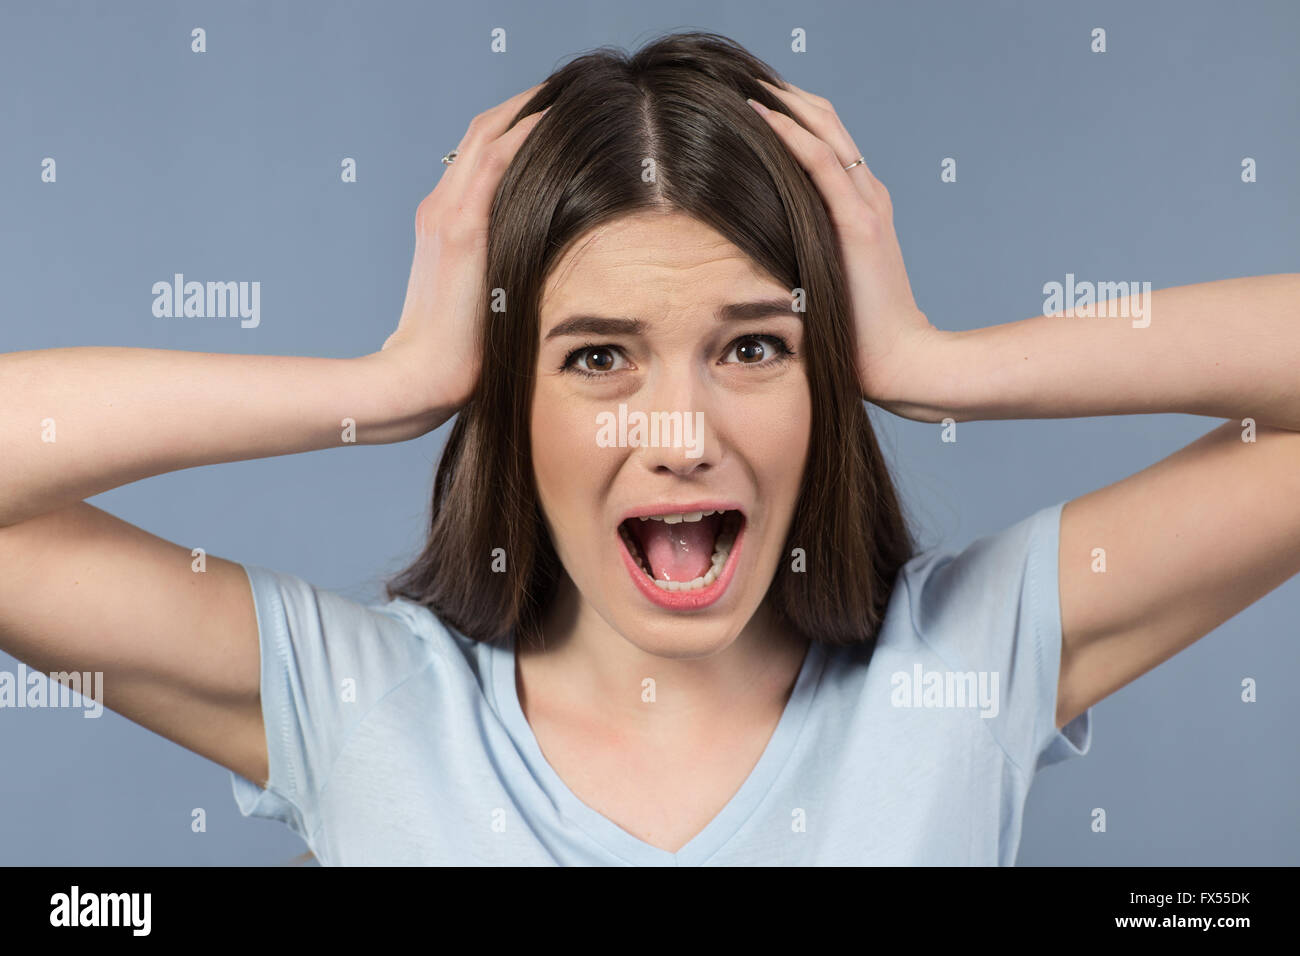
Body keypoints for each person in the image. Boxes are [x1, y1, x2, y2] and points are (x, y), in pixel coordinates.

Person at [3, 31, 1298, 865]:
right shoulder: (357, 701)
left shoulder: (965, 661)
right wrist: (390, 384)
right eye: (596, 358)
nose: (681, 438)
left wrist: (930, 363)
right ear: (512, 402)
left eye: (749, 348)